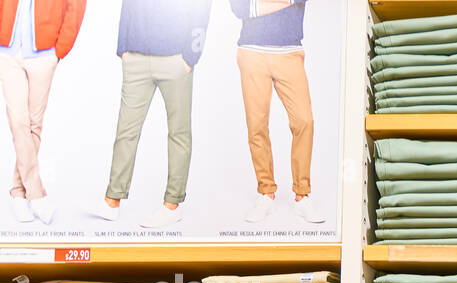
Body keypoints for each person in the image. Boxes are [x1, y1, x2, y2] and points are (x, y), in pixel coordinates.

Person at [91, 0, 213, 230]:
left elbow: (202, 9)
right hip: (136, 57)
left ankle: (172, 205)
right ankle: (112, 200)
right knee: (126, 130)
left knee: (178, 133)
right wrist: (123, 48)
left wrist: (191, 56)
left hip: (176, 58)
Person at [229, 0, 325, 224]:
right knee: (257, 125)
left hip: (290, 52)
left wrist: (259, 6)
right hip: (251, 51)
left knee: (304, 121)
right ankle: (266, 192)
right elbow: (240, 9)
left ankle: (302, 195)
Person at [0, 0, 85, 225]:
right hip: (7, 52)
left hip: (44, 53)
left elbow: (75, 6)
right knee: (18, 121)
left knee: (33, 125)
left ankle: (18, 193)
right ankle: (36, 195)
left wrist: (59, 51)